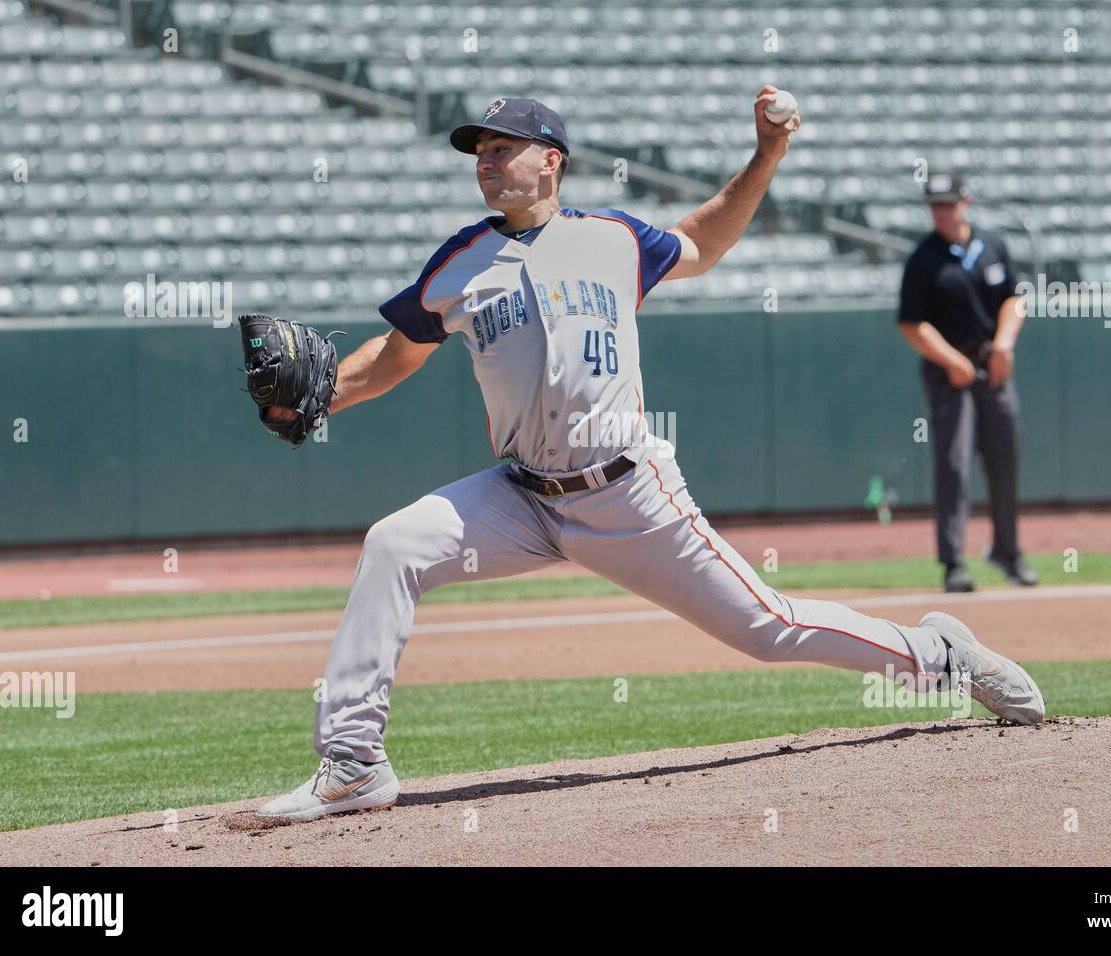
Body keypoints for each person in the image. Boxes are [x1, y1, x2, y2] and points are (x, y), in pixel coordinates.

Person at [255, 94, 1044, 822]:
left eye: (503, 147)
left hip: (628, 495)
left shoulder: (613, 239)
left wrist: (766, 152)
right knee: (394, 543)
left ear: (550, 161)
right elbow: (394, 355)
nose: (486, 162)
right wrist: (322, 399)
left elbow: (703, 240)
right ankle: (353, 764)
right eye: (480, 151)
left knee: (769, 628)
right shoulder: (458, 262)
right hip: (521, 496)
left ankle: (941, 656)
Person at [896, 171, 1039, 594]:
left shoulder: (992, 245)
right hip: (949, 374)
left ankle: (1008, 552)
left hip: (992, 369)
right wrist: (951, 360)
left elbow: (1015, 298)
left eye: (948, 203)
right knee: (954, 466)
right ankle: (954, 563)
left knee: (1005, 459)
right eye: (934, 205)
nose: (941, 212)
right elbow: (911, 324)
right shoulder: (924, 258)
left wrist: (1004, 345)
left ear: (966, 202)